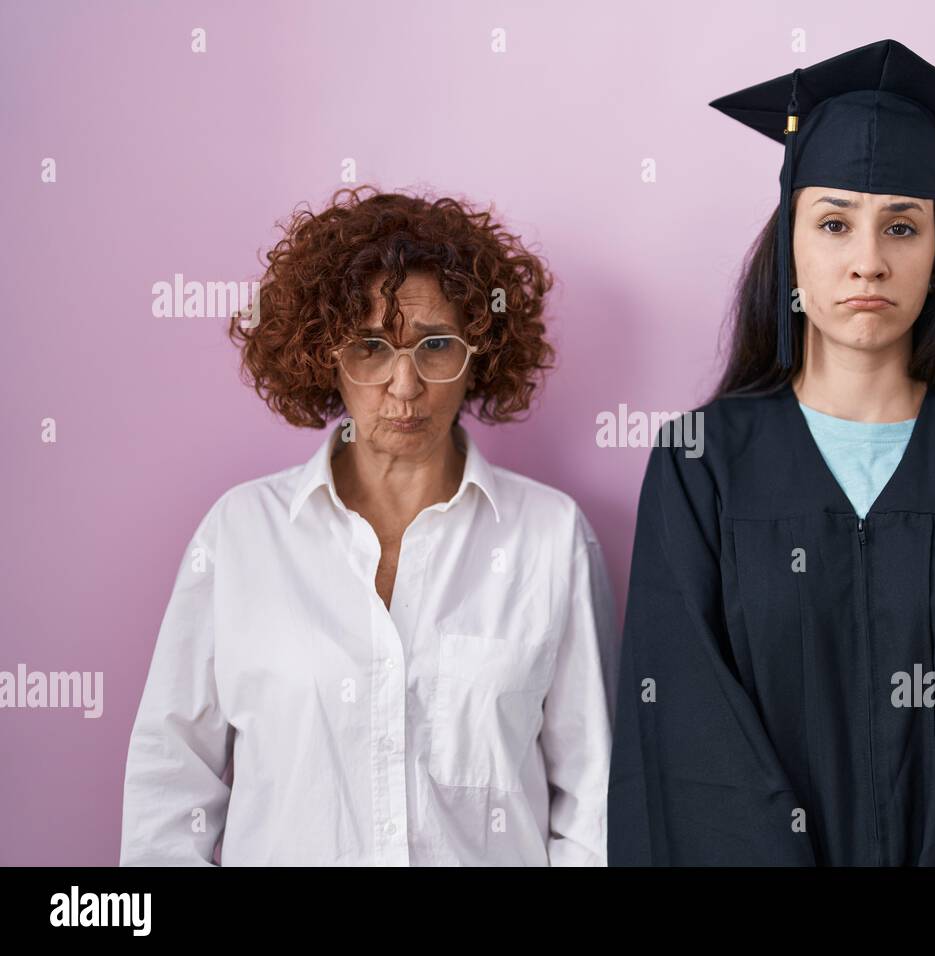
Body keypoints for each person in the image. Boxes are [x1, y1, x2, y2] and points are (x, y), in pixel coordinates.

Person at [608, 39, 935, 865]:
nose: (868, 260)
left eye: (903, 226)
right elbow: (687, 741)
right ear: (792, 248)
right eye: (836, 222)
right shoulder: (702, 464)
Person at [120, 187, 615, 866]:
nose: (405, 385)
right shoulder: (241, 535)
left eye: (436, 345)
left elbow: (594, 796)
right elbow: (168, 786)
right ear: (325, 355)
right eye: (371, 348)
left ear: (481, 353)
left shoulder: (550, 537)